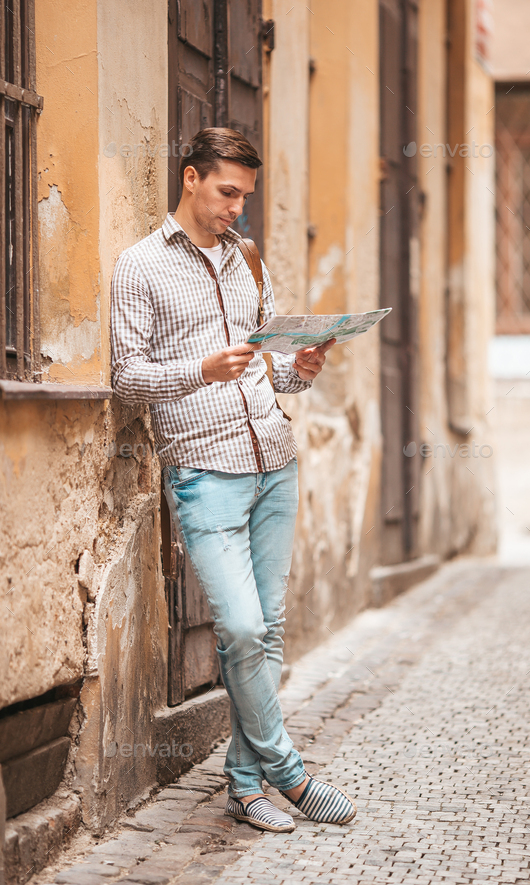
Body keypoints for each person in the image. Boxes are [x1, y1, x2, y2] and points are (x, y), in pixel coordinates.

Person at [110, 128, 356, 833]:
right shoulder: (140, 266)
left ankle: (244, 785)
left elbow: (267, 369)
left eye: (245, 196)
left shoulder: (247, 257)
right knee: (242, 626)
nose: (236, 209)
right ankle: (289, 771)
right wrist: (197, 370)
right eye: (226, 193)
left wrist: (299, 371)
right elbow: (127, 379)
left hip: (274, 462)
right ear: (190, 179)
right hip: (203, 470)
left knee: (270, 628)